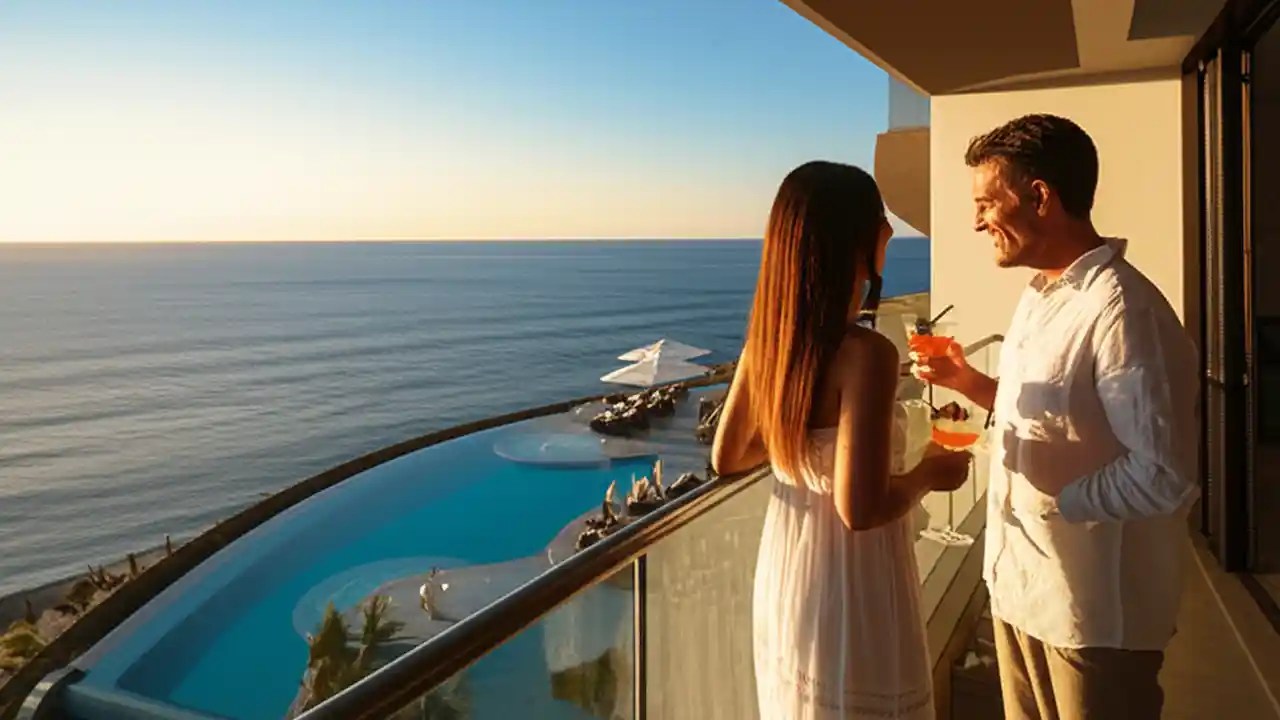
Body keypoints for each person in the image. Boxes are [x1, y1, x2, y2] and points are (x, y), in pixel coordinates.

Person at [914, 114, 1199, 720]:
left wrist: (1058, 502)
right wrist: (967, 381)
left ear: (1040, 197)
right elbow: (1056, 414)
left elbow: (1165, 474)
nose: (976, 221)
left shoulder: (1120, 310)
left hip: (1094, 617)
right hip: (1021, 592)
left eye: (987, 203)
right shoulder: (1043, 295)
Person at [712, 160, 973, 719]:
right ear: (855, 239)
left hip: (789, 570)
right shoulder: (866, 354)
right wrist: (932, 468)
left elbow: (728, 456)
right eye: (881, 220)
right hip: (853, 581)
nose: (890, 231)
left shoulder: (772, 342)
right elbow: (862, 509)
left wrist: (805, 453)